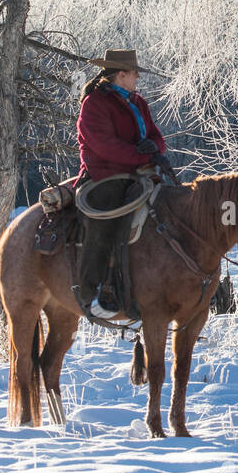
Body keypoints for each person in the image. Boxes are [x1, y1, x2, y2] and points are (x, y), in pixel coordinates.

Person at [73, 48, 179, 319]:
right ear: (121, 74)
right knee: (106, 218)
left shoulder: (137, 101)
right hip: (105, 175)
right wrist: (144, 153)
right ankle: (94, 288)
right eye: (135, 73)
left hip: (141, 171)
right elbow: (104, 146)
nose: (138, 77)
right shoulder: (94, 103)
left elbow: (158, 137)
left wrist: (152, 147)